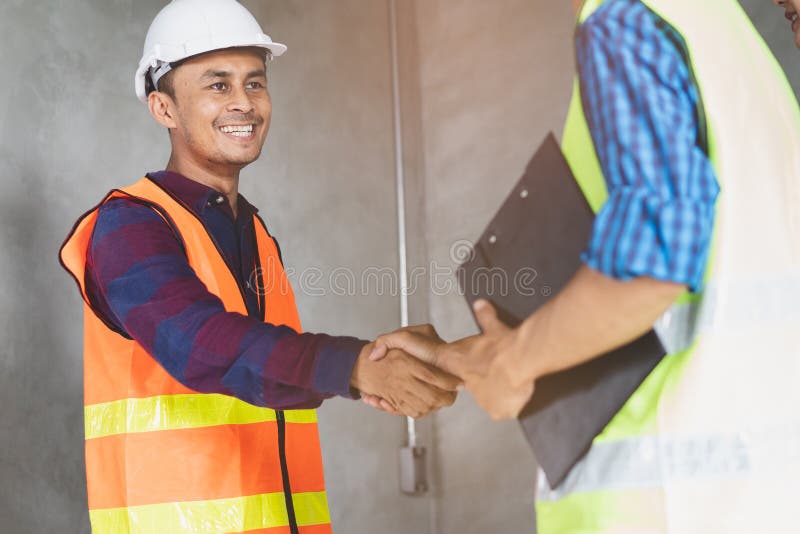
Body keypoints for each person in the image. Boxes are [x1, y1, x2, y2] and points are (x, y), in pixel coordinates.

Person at [371, 0, 800, 532]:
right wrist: (470, 356)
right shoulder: (727, 36)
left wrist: (511, 363)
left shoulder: (624, 17)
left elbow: (651, 266)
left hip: (665, 498)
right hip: (759, 491)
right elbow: (711, 285)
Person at [58, 1, 458, 532]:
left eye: (255, 83)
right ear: (164, 108)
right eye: (217, 85)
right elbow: (197, 343)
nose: (244, 103)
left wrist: (418, 363)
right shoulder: (128, 225)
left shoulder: (255, 234)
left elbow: (265, 368)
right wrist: (357, 366)